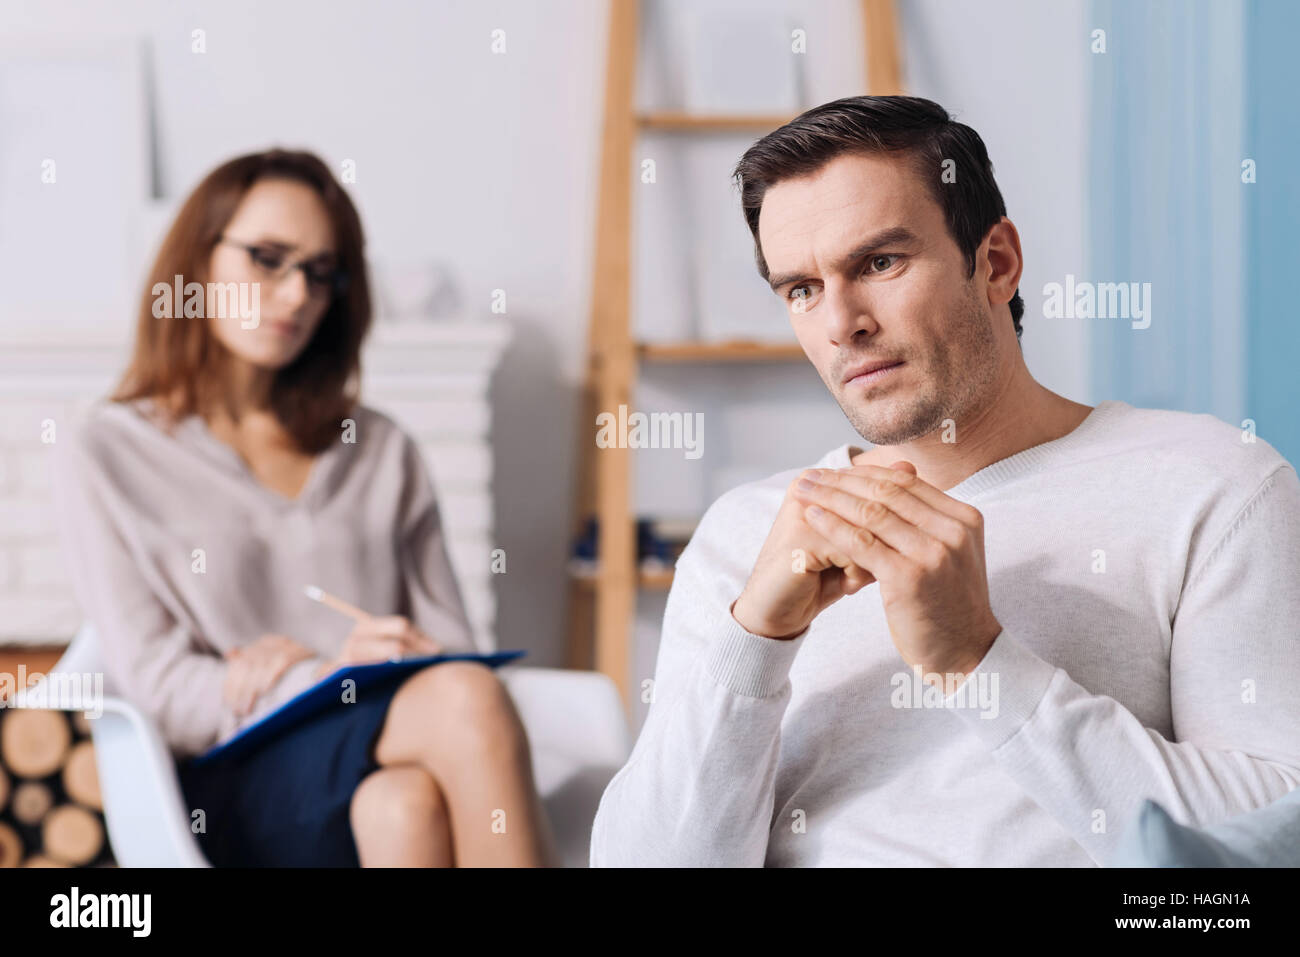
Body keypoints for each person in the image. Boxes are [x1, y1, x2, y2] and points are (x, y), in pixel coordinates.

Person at [589, 96, 1300, 866]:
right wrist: (755, 641)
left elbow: (1263, 850)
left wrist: (977, 660)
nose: (841, 323)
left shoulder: (1212, 487)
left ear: (995, 262)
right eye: (801, 288)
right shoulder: (747, 534)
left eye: (880, 263)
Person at [52, 148, 555, 867]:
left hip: (379, 761)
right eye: (267, 258)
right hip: (226, 780)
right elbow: (156, 688)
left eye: (321, 273)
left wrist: (407, 653)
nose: (294, 296)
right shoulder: (105, 450)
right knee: (466, 702)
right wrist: (320, 675)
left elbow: (453, 649)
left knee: (403, 803)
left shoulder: (380, 447)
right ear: (196, 259)